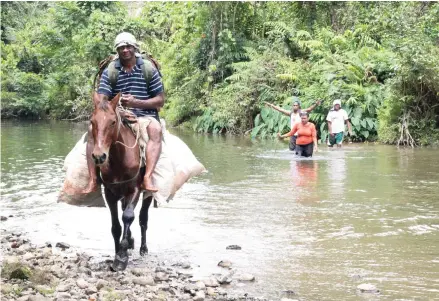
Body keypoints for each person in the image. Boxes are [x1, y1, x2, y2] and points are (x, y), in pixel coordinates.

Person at [83, 32, 164, 193]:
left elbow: (160, 100)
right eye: (121, 48)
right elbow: (103, 100)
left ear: (134, 48)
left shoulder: (148, 69)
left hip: (145, 116)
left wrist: (136, 103)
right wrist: (117, 110)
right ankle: (93, 179)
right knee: (92, 130)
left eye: (128, 47)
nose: (125, 50)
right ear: (117, 50)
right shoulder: (111, 70)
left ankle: (147, 177)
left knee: (155, 129)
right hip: (117, 115)